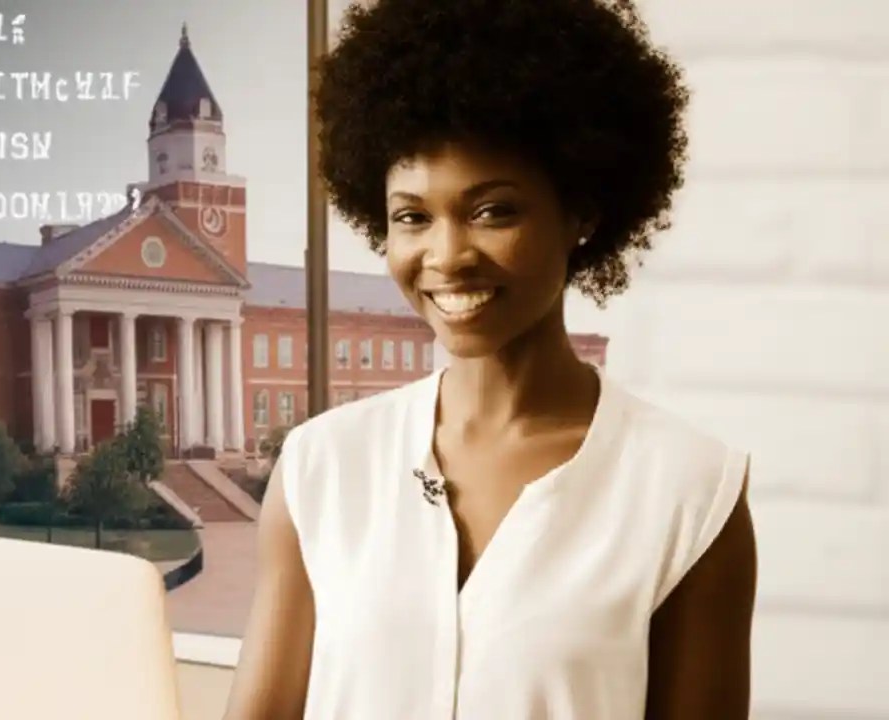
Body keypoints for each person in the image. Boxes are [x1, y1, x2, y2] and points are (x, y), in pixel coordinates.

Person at [224, 0, 757, 718]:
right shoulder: (321, 467)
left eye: (493, 211)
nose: (446, 257)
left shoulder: (689, 491)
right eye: (412, 216)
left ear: (582, 213)